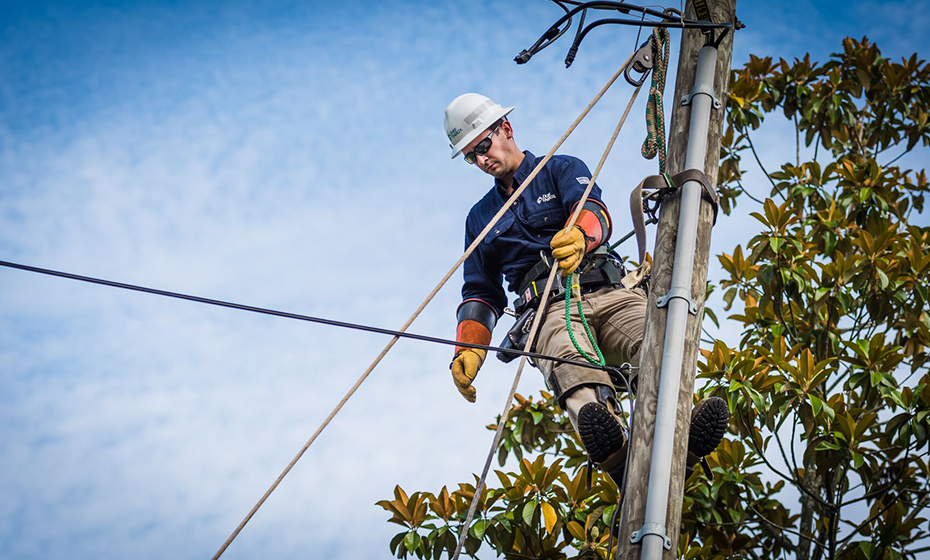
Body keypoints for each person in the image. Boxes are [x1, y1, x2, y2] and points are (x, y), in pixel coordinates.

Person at [443, 93, 727, 484]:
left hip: (608, 290)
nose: (481, 160)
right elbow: (479, 292)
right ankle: (614, 453)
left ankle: (683, 437)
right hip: (549, 311)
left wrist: (580, 236)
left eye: (483, 146)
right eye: (470, 156)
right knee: (568, 364)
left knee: (657, 338)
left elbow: (594, 211)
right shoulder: (480, 218)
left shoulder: (559, 168)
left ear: (505, 129)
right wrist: (469, 348)